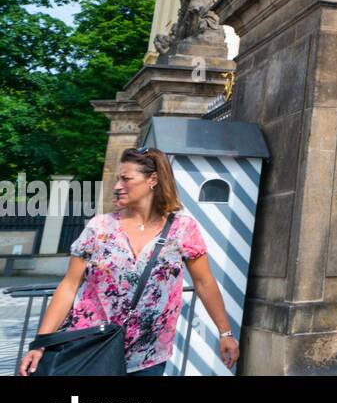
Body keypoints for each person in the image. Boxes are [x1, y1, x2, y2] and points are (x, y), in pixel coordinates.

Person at [18, 146, 239, 376]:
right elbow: (69, 285)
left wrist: (225, 333)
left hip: (148, 356)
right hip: (90, 347)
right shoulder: (99, 227)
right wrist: (41, 342)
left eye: (126, 179)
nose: (117, 186)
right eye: (117, 179)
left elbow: (204, 283)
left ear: (152, 179)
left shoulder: (183, 229)